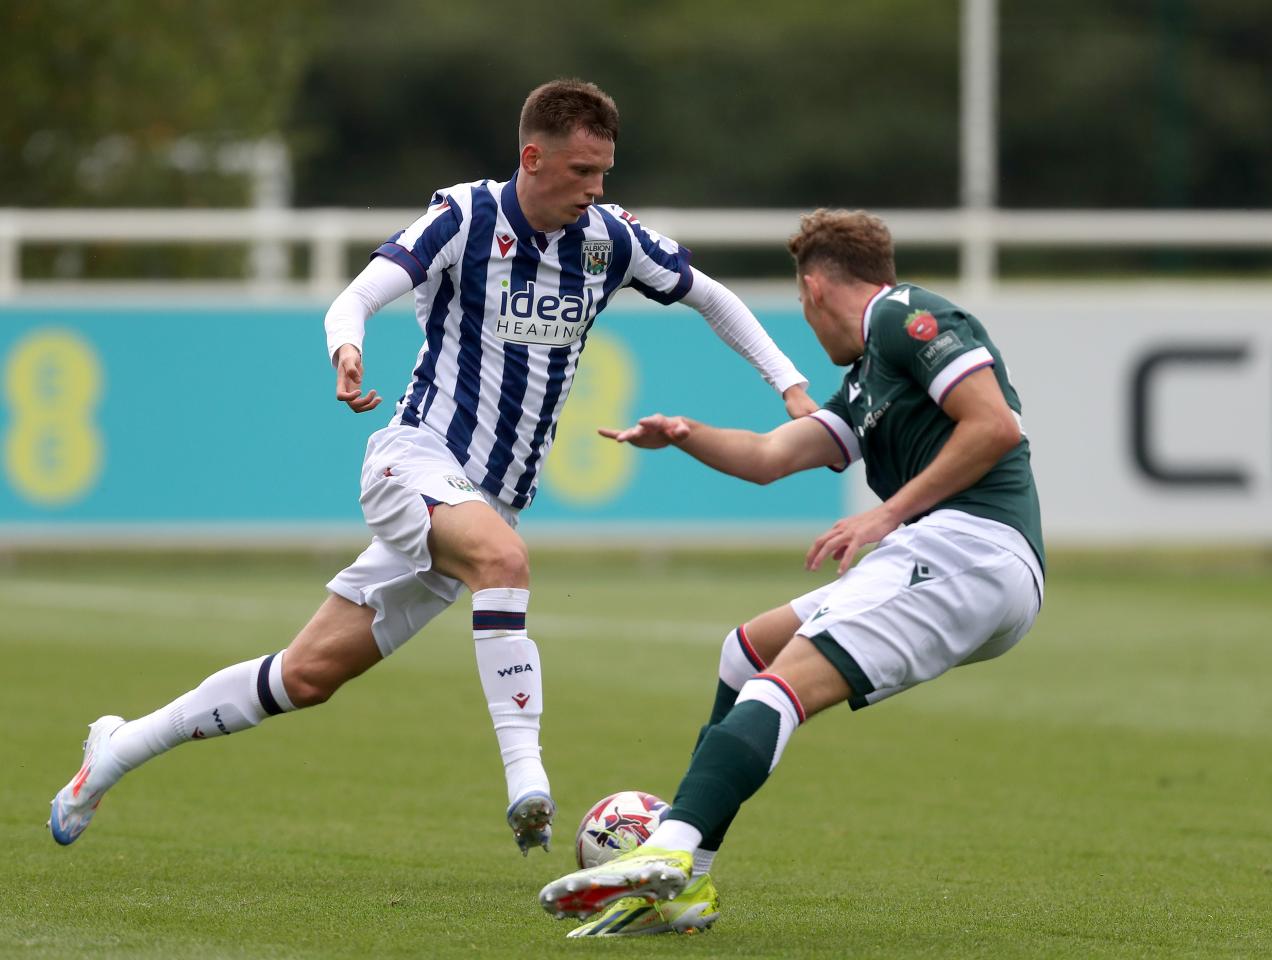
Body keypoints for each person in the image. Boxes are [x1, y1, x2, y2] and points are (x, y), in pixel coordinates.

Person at [47, 79, 816, 855]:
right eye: (583, 171)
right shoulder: (466, 217)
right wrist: (346, 347)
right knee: (504, 560)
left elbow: (713, 298)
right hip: (413, 462)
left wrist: (787, 383)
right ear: (533, 156)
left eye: (604, 172)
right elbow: (355, 296)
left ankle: (115, 750)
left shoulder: (607, 239)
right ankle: (528, 781)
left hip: (488, 500)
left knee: (306, 676)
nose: (597, 188)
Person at [538, 208, 1044, 935]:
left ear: (812, 288)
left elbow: (996, 426)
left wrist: (887, 513)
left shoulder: (905, 313)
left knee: (784, 685)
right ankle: (685, 885)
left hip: (972, 548)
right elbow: (772, 458)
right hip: (949, 555)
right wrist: (684, 435)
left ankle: (670, 851)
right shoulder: (868, 377)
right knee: (747, 651)